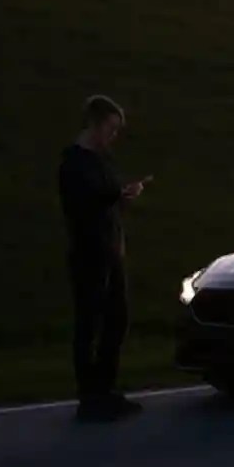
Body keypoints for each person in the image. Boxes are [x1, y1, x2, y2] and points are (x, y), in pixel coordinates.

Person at [58, 94, 151, 422]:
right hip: (89, 253)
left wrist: (125, 197)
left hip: (112, 250)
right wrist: (116, 193)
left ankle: (106, 390)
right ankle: (89, 396)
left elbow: (108, 202)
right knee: (90, 324)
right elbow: (82, 202)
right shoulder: (74, 161)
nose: (113, 136)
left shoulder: (102, 160)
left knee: (117, 320)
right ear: (95, 124)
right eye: (111, 128)